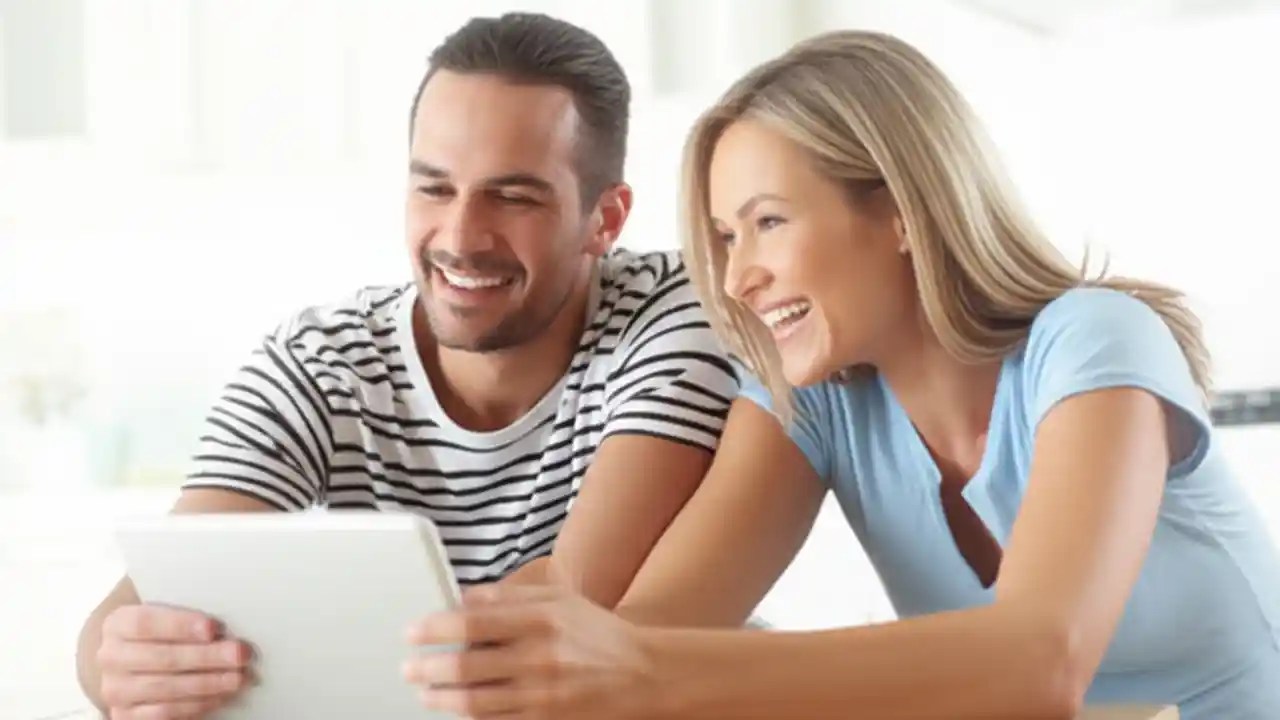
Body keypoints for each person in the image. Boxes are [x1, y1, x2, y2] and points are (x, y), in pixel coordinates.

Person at [401, 30, 1280, 719]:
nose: (739, 277)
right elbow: (650, 635)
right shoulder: (814, 403)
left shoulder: (1094, 342)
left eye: (769, 222)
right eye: (725, 238)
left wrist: (632, 666)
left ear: (901, 212)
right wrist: (447, 651)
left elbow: (1038, 663)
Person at [75, 12, 739, 718]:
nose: (460, 237)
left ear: (605, 220)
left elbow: (577, 596)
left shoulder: (673, 311)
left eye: (512, 197)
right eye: (434, 188)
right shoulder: (320, 359)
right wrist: (126, 660)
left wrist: (312, 655)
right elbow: (141, 604)